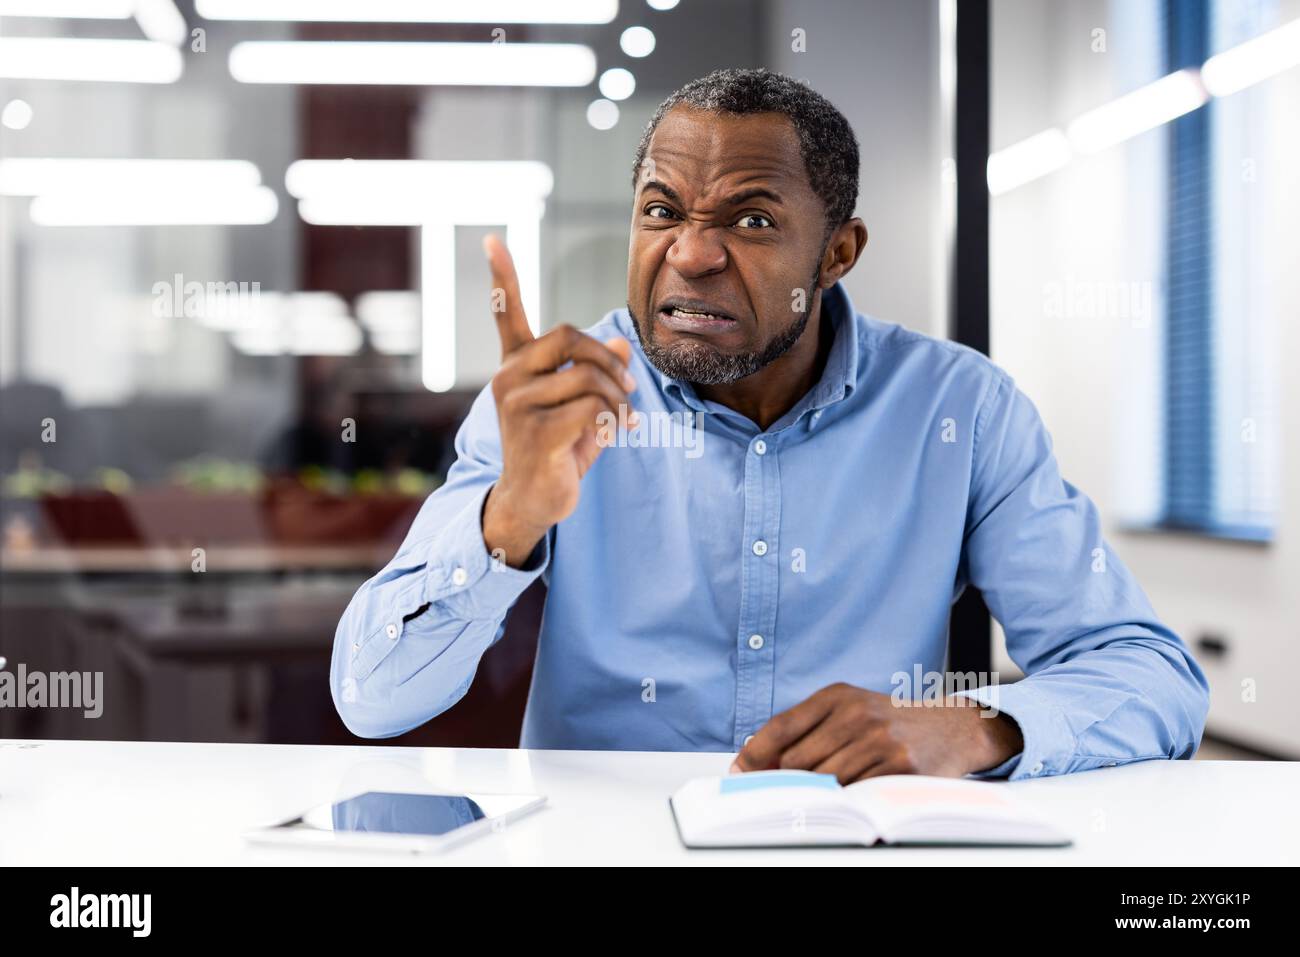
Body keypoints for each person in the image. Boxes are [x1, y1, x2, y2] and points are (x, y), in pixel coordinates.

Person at [331, 69, 1208, 782]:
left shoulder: (960, 410)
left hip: (853, 845)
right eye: (662, 210)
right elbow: (372, 698)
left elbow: (1152, 677)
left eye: (751, 220)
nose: (691, 253)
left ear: (837, 253)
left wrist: (976, 726)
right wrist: (509, 519)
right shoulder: (555, 402)